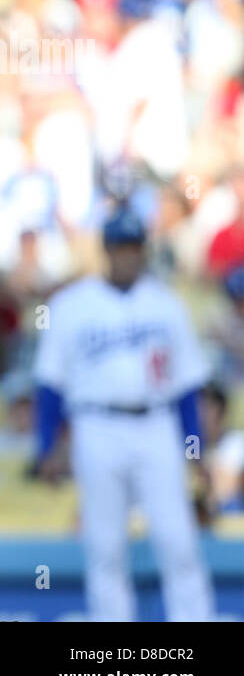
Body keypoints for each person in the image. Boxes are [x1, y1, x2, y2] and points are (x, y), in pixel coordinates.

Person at [32, 206, 215, 621]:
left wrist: (195, 449)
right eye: (121, 247)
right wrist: (47, 446)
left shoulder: (167, 303)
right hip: (96, 425)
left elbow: (188, 385)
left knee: (179, 541)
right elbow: (49, 385)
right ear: (107, 250)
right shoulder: (70, 304)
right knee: (105, 547)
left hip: (157, 424)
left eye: (135, 246)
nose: (128, 255)